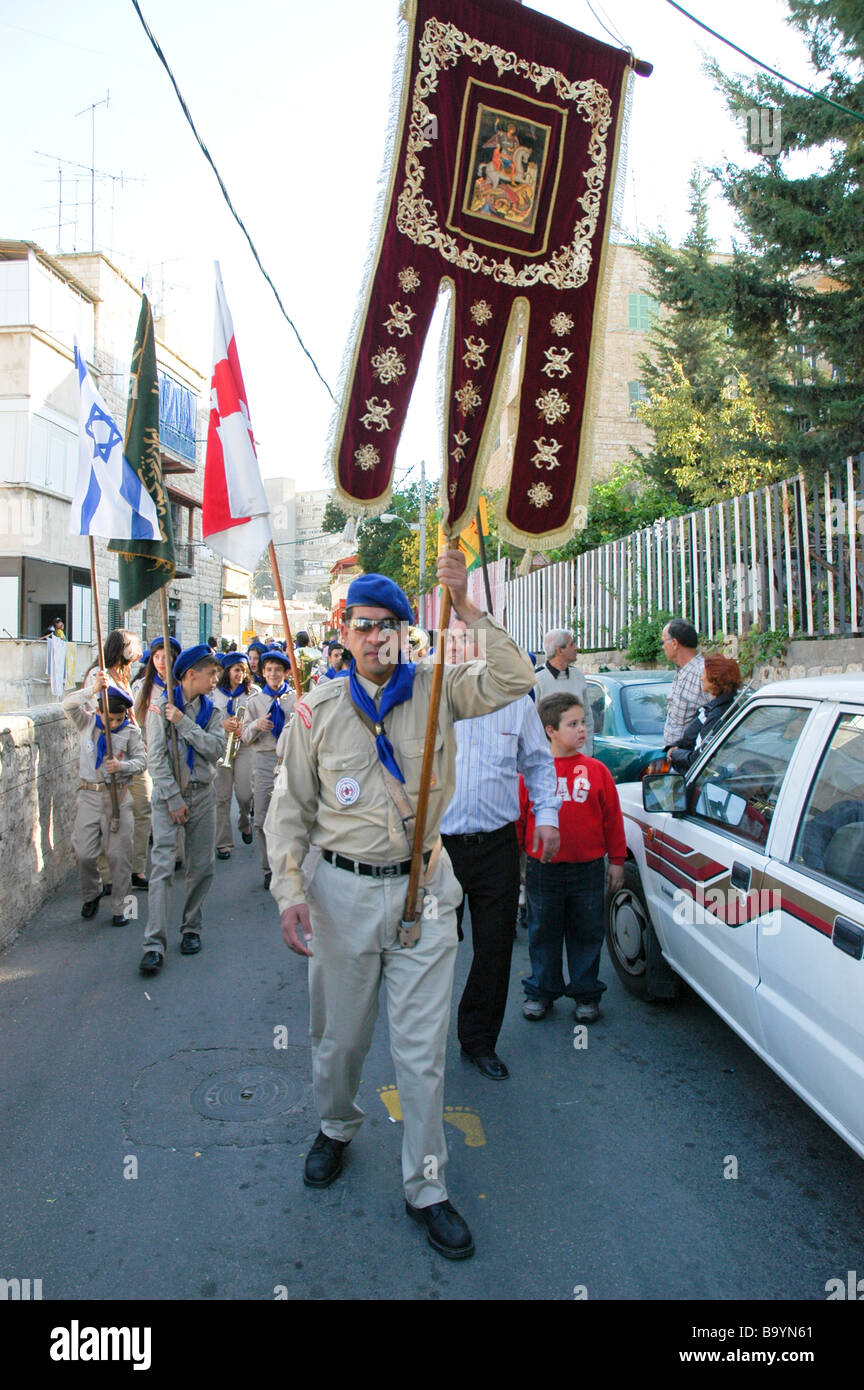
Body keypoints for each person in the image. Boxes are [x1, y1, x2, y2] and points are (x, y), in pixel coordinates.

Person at [264, 557, 535, 1261]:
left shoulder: (441, 688)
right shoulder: (316, 711)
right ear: (343, 631)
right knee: (340, 1039)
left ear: (407, 634)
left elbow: (516, 679)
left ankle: (427, 1186)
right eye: (364, 625)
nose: (376, 636)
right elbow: (288, 814)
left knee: (421, 1054)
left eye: (390, 625)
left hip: (424, 894)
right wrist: (290, 892)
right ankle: (336, 1126)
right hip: (342, 896)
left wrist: (467, 609)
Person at [440, 622, 559, 1080]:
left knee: (494, 950)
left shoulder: (516, 703)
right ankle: (423, 1041)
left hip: (496, 848)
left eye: (476, 644)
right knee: (432, 949)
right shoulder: (432, 700)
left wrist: (547, 817)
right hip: (438, 851)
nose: (467, 653)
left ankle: (478, 1040)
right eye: (458, 645)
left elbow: (539, 763)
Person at [519, 693, 626, 1025]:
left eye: (583, 723)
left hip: (588, 869)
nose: (582, 729)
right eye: (573, 724)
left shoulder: (597, 771)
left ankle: (585, 993)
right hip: (543, 870)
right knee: (543, 933)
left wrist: (617, 861)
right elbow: (520, 821)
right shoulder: (532, 774)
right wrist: (519, 866)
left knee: (587, 933)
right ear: (550, 730)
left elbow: (613, 819)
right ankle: (541, 990)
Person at [140, 645, 225, 976]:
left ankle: (191, 927)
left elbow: (216, 749)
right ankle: (153, 943)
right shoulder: (161, 708)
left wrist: (185, 724)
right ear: (191, 675)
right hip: (168, 797)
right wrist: (174, 799)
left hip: (202, 792)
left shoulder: (212, 712)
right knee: (162, 869)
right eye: (211, 674)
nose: (215, 680)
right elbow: (156, 759)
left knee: (201, 867)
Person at [62, 675, 146, 926]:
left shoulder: (130, 732)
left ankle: (125, 908)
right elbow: (67, 705)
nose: (115, 724)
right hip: (89, 795)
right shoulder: (87, 723)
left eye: (119, 719)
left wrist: (122, 766)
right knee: (84, 853)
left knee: (121, 857)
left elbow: (142, 761)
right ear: (99, 711)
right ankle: (92, 893)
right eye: (110, 719)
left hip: (118, 796)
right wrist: (93, 689)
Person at [99, 628, 151, 891]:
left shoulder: (124, 676)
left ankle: (136, 868)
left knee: (143, 807)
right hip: (112, 751)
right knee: (108, 814)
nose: (138, 650)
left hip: (133, 750)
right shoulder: (100, 676)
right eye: (133, 645)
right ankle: (108, 874)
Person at [241, 649, 296, 889]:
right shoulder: (255, 702)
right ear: (263, 673)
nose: (274, 674)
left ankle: (289, 865)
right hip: (264, 760)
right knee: (262, 816)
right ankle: (268, 868)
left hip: (289, 761)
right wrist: (256, 724)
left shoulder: (296, 698)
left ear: (286, 673)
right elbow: (244, 736)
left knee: (289, 815)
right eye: (269, 670)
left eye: (278, 670)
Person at [212, 653, 255, 859]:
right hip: (222, 747)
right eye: (237, 670)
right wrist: (222, 724)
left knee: (245, 794)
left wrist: (243, 728)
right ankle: (224, 843)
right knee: (222, 797)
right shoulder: (214, 693)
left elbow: (260, 718)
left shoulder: (253, 692)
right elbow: (207, 718)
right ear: (227, 671)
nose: (241, 674)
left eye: (244, 671)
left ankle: (244, 821)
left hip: (244, 746)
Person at [668, 655, 742, 772]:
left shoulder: (719, 714)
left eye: (705, 674)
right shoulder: (713, 708)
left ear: (715, 679)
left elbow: (700, 759)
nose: (702, 678)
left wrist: (675, 754)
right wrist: (676, 746)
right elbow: (692, 735)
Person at [533, 629, 594, 754]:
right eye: (572, 644)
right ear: (560, 651)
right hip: (550, 759)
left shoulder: (578, 676)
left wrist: (588, 752)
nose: (576, 648)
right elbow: (532, 725)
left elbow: (587, 717)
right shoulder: (537, 680)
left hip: (579, 757)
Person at [661, 618, 705, 751]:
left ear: (674, 643)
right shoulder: (681, 671)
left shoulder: (703, 673)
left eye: (663, 642)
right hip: (676, 756)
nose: (662, 647)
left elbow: (719, 715)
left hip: (693, 757)